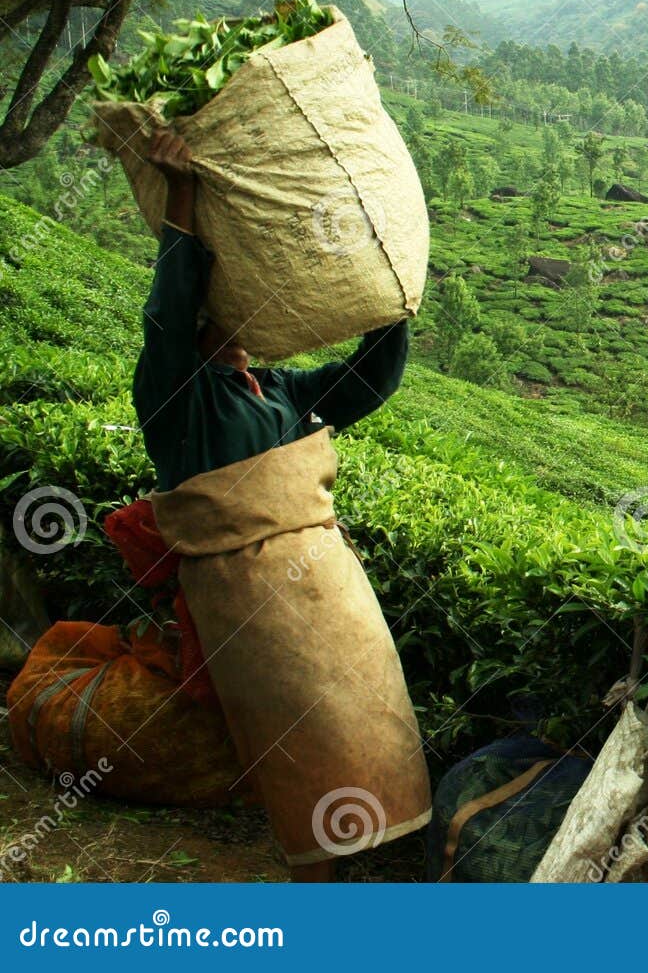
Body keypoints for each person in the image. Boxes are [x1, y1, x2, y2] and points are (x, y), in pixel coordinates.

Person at [136, 128, 432, 882]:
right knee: (293, 735)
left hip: (326, 580)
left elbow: (364, 385)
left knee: (364, 709)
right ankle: (315, 877)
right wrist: (182, 197)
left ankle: (382, 846)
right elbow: (165, 319)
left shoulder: (282, 389)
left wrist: (391, 307)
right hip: (248, 595)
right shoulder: (179, 396)